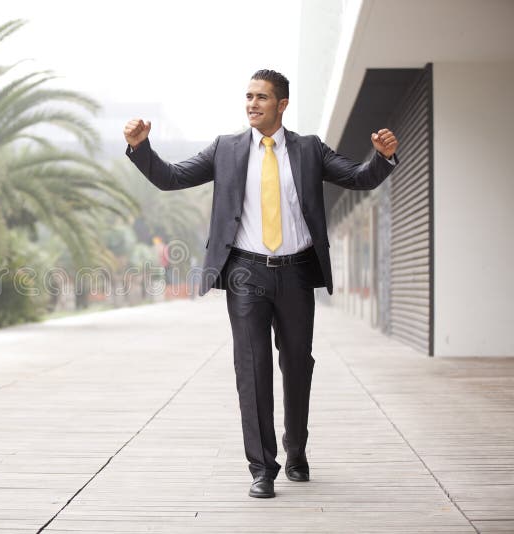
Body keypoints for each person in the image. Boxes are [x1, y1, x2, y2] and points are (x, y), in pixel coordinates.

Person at [123, 69, 398, 499]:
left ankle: (296, 450)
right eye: (248, 96)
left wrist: (381, 157)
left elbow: (358, 176)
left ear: (282, 104)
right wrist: (141, 148)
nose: (252, 103)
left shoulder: (308, 150)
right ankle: (262, 468)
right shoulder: (226, 148)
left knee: (296, 365)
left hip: (295, 272)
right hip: (245, 273)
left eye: (262, 97)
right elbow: (171, 177)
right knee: (251, 369)